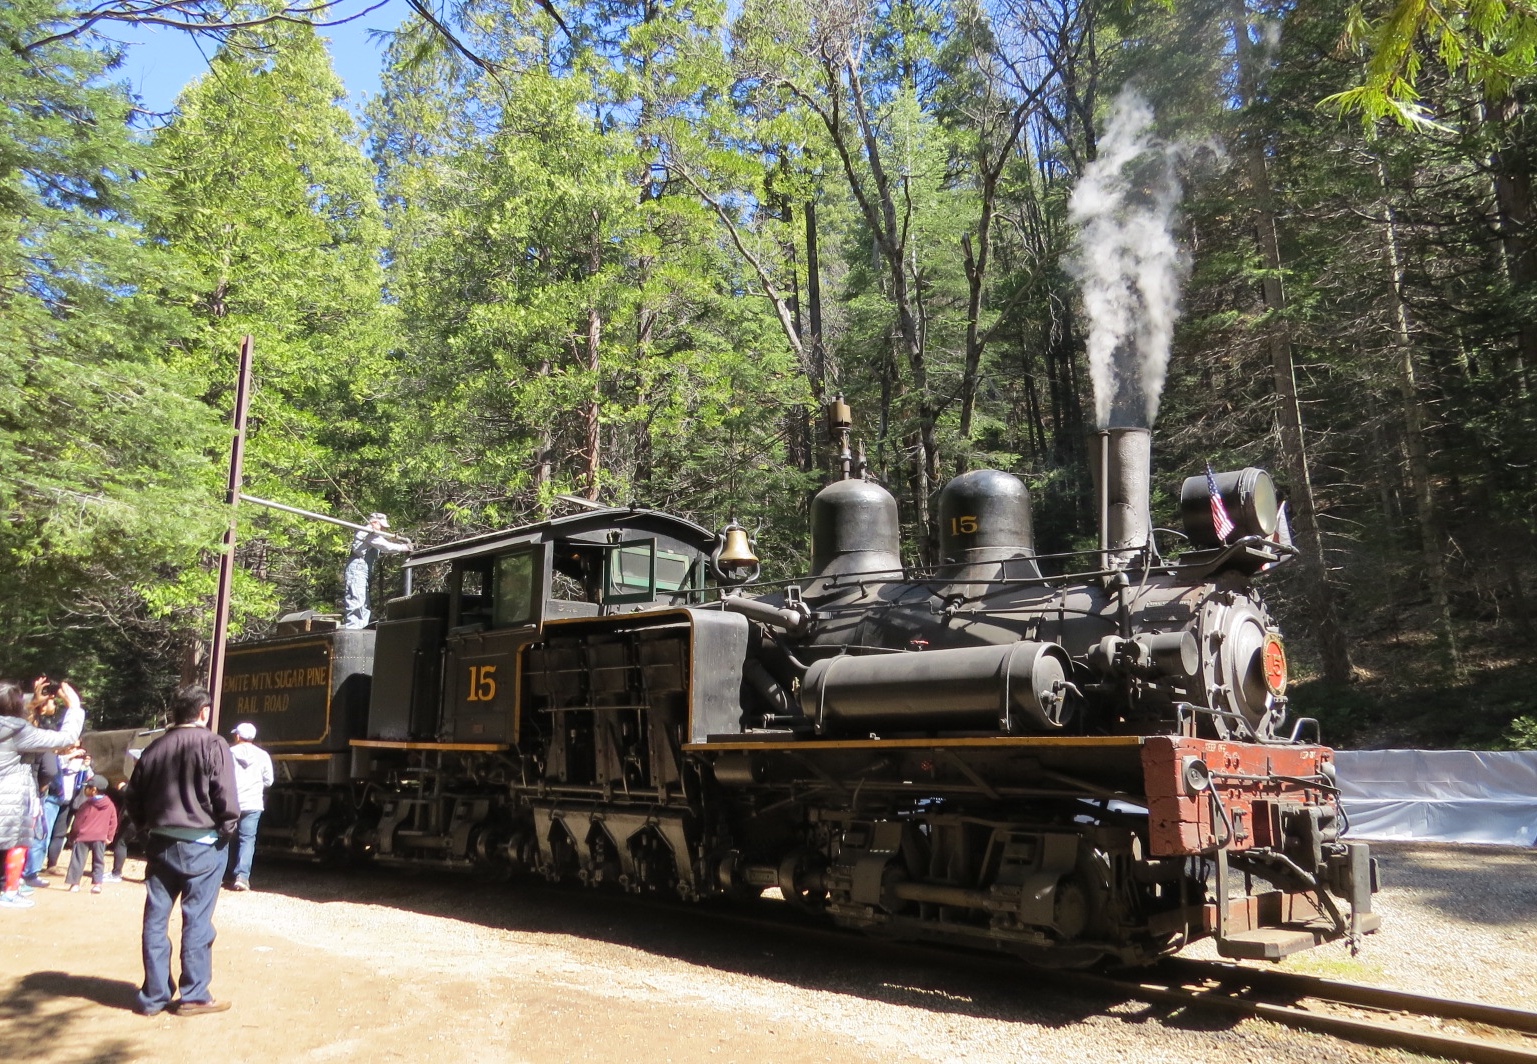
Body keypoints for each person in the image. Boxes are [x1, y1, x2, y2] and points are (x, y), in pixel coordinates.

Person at [124, 686, 238, 1016]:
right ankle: (195, 995)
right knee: (197, 920)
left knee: (155, 920)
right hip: (203, 845)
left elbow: (132, 797)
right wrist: (225, 833)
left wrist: (147, 830)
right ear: (203, 712)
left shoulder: (154, 748)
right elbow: (227, 799)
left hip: (160, 845)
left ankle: (154, 996)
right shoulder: (214, 744)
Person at [0, 679, 84, 908]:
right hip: (12, 796)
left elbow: (8, 704)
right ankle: (9, 891)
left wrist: (35, 697)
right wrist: (74, 707)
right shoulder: (18, 731)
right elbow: (64, 738)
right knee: (16, 843)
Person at [224, 722, 273, 892]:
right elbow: (269, 780)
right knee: (247, 839)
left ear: (237, 736)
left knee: (228, 837)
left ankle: (227, 874)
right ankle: (242, 877)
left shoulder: (228, 753)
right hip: (253, 803)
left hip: (232, 802)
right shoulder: (263, 755)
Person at [343, 512, 411, 629]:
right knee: (357, 602)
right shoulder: (368, 532)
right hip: (357, 570)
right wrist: (403, 547)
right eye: (382, 526)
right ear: (374, 523)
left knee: (364, 603)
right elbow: (385, 546)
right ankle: (354, 629)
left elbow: (383, 543)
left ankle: (361, 629)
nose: (384, 529)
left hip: (363, 571)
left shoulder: (374, 534)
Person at [63, 774, 117, 894]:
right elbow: (113, 821)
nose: (85, 789)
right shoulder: (109, 805)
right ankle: (97, 884)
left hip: (83, 836)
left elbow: (78, 822)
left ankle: (75, 884)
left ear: (94, 790)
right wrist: (110, 837)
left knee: (78, 860)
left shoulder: (86, 805)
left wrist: (72, 836)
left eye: (87, 787)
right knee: (98, 860)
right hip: (100, 837)